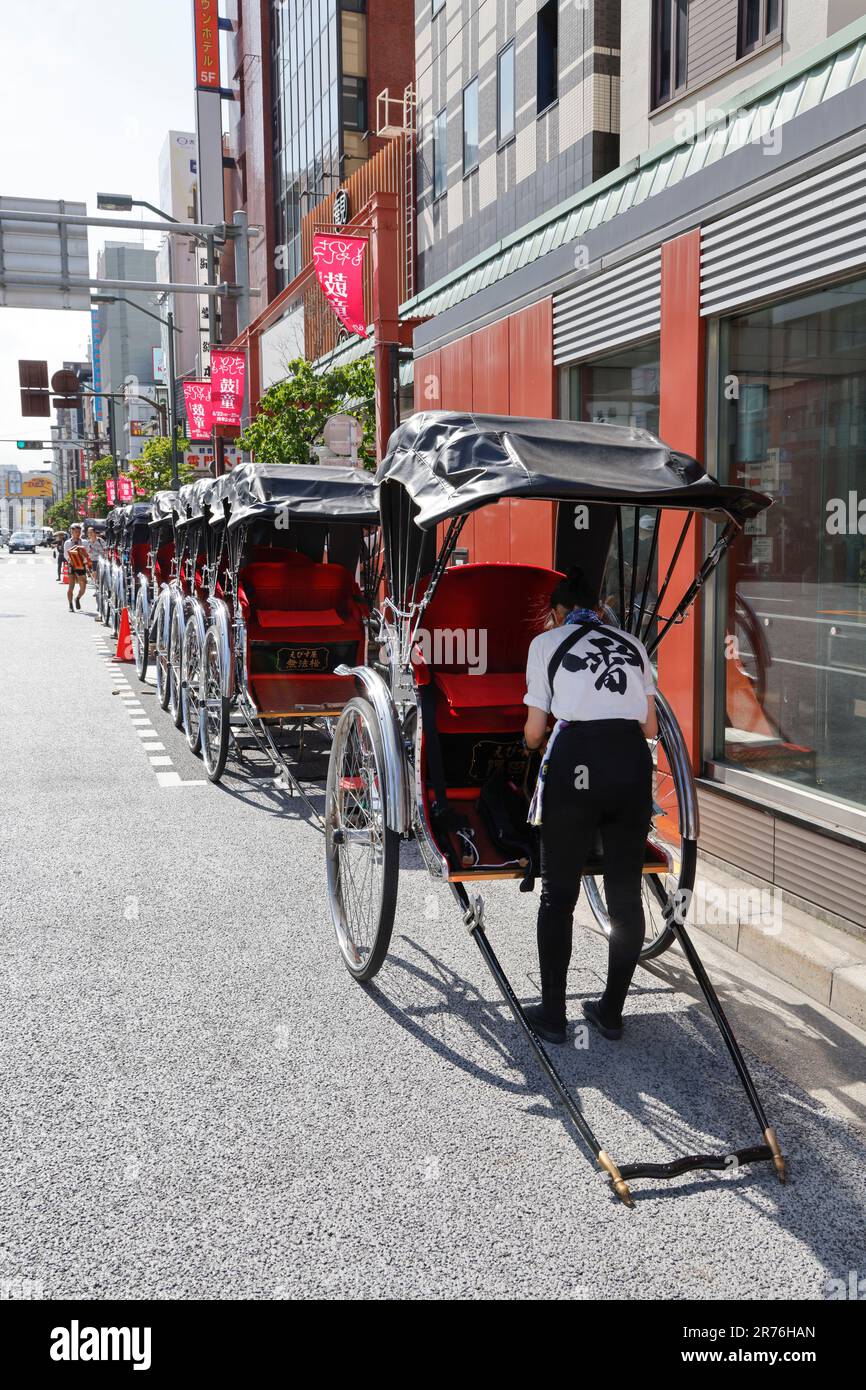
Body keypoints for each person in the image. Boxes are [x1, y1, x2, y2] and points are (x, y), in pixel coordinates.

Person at [522, 566, 658, 1045]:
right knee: (624, 893)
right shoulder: (632, 646)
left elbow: (536, 733)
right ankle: (611, 1012)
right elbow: (650, 728)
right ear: (599, 611)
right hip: (631, 767)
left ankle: (553, 1016)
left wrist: (531, 744)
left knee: (559, 895)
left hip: (576, 766)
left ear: (557, 613)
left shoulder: (546, 645)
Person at [63, 523, 90, 612]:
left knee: (83, 587)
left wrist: (83, 555)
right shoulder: (67, 542)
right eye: (75, 532)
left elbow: (87, 553)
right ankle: (70, 605)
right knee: (71, 586)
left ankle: (77, 598)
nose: (77, 533)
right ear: (71, 532)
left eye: (79, 532)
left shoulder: (84, 542)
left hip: (81, 565)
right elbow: (66, 555)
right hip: (72, 565)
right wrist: (70, 560)